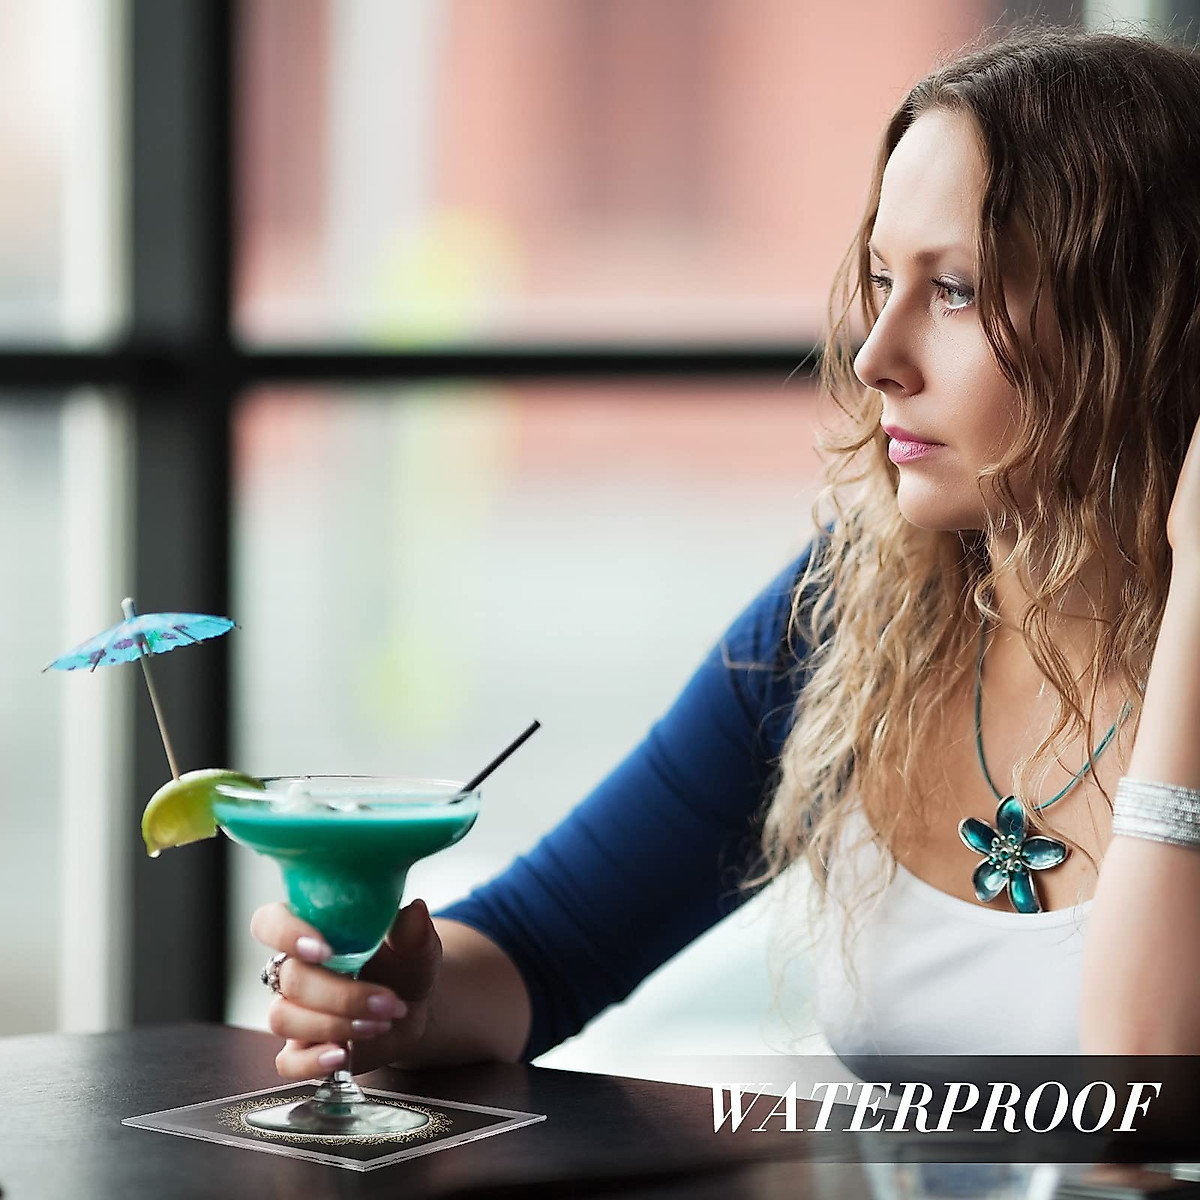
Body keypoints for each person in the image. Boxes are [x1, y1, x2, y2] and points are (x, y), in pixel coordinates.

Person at [250, 22, 1200, 1077]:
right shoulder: (854, 610)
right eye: (882, 280)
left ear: (1146, 325)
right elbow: (546, 946)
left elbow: (1148, 1086)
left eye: (957, 289)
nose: (877, 357)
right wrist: (399, 1003)